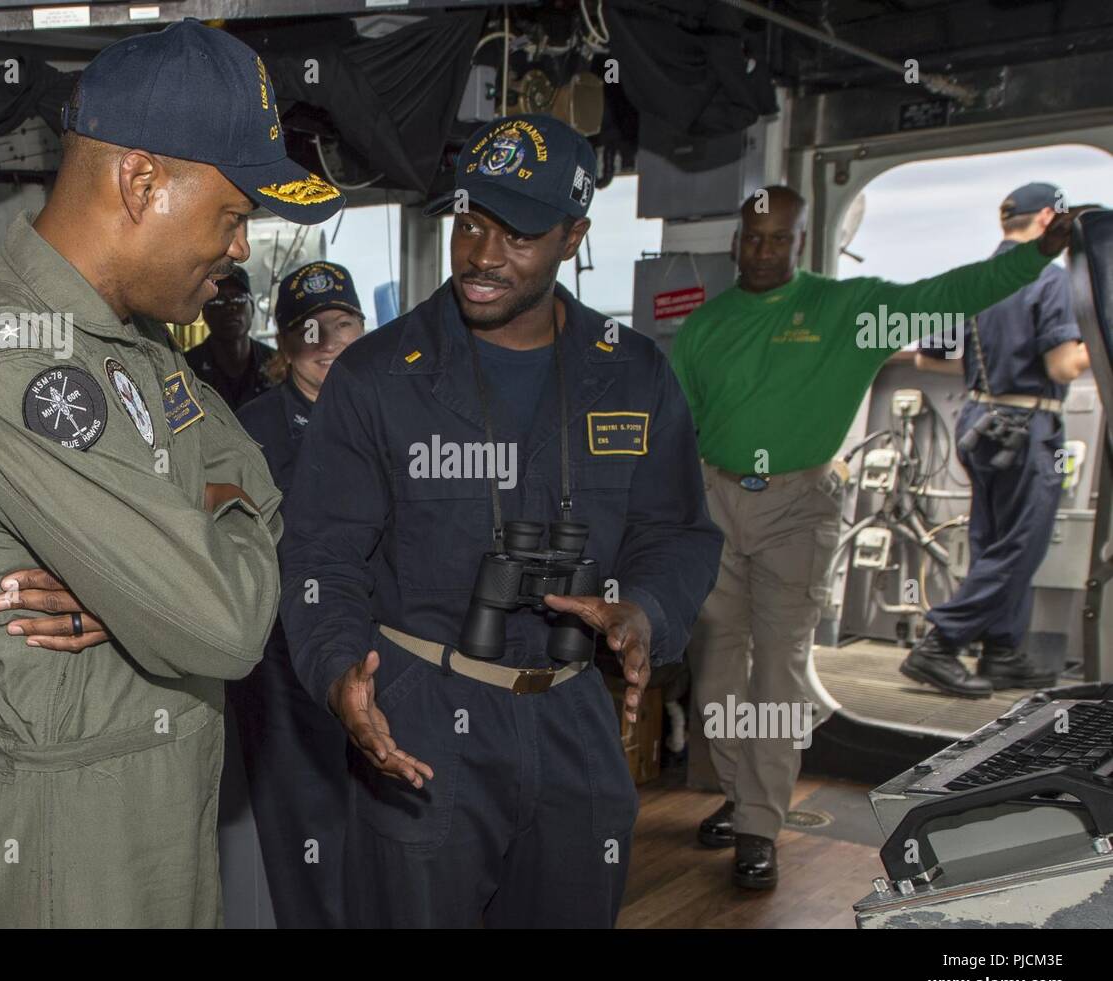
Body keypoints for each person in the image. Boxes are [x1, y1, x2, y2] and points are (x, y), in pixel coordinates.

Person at [0, 20, 343, 927]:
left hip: (157, 805)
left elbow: (242, 461)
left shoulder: (132, 339)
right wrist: (176, 572)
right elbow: (222, 625)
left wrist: (145, 578)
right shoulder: (1, 361)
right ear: (141, 181)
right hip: (62, 845)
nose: (242, 249)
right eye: (235, 214)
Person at [278, 113, 723, 928]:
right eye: (471, 223)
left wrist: (645, 614)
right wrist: (340, 670)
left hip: (573, 717)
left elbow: (678, 533)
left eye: (518, 234)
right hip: (418, 720)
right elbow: (321, 556)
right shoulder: (378, 377)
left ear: (574, 235)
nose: (483, 256)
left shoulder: (631, 373)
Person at [671, 184, 1086, 890]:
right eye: (752, 238)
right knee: (714, 677)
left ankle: (758, 826)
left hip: (797, 507)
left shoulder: (849, 310)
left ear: (800, 244)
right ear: (736, 241)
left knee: (775, 674)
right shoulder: (703, 328)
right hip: (715, 503)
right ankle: (745, 795)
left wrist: (1037, 256)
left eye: (778, 239)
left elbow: (950, 294)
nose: (763, 251)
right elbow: (677, 430)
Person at [903, 183, 1089, 695]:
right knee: (1020, 547)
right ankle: (941, 642)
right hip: (1030, 428)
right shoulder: (1049, 280)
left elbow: (928, 357)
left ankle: (1001, 652)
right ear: (1049, 218)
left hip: (978, 421)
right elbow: (1063, 363)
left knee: (991, 541)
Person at [232, 260, 365, 928]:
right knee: (303, 832)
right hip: (283, 665)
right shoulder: (248, 430)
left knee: (378, 826)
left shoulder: (387, 415)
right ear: (285, 346)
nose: (329, 343)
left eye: (342, 324)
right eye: (310, 330)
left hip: (375, 651)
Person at [185, 265, 276, 411]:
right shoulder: (187, 369)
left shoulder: (277, 363)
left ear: (252, 307)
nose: (230, 307)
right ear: (205, 312)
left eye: (238, 298)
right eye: (218, 300)